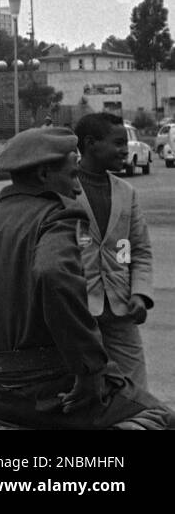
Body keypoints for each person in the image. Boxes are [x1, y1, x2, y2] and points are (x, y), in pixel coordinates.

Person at [0, 126, 173, 428]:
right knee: (159, 416)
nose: (78, 188)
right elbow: (54, 275)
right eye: (72, 175)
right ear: (43, 176)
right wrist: (89, 372)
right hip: (52, 394)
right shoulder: (57, 216)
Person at [72, 113, 154, 390]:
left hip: (121, 307)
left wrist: (140, 293)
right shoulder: (64, 189)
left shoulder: (126, 192)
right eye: (118, 143)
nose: (125, 149)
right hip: (76, 308)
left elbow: (140, 249)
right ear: (91, 143)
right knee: (83, 389)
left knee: (137, 391)